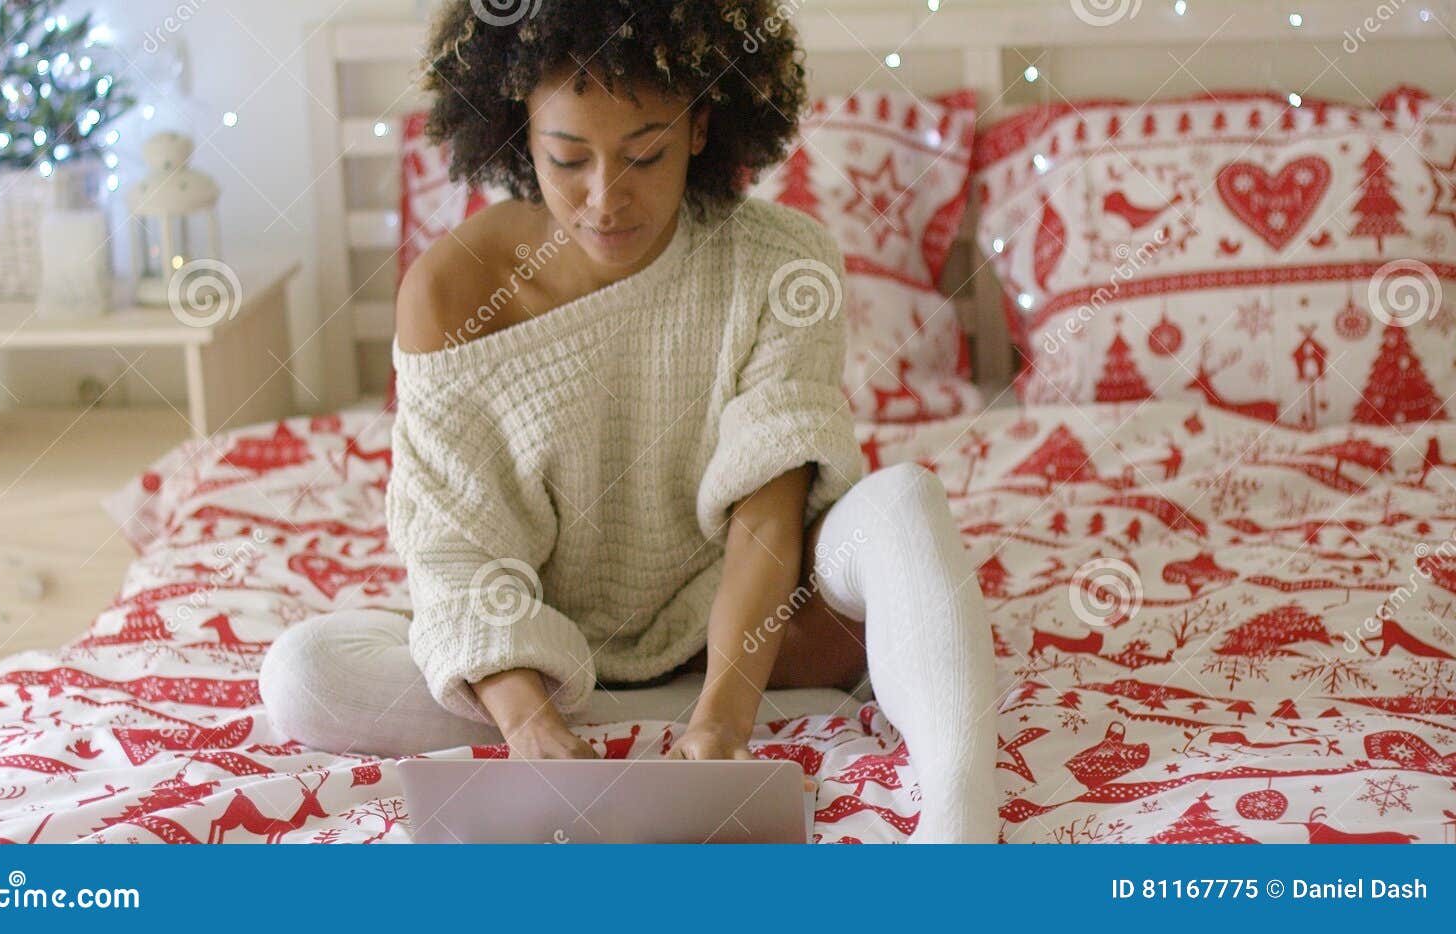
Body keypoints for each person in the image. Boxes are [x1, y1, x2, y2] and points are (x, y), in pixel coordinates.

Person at [259, 0, 997, 843]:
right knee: (303, 676)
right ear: (518, 131)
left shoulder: (784, 261)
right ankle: (670, 717)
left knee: (905, 501)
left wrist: (723, 722)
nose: (606, 199)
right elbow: (455, 553)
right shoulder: (449, 292)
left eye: (645, 154)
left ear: (701, 127)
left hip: (763, 634)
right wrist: (529, 724)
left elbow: (767, 514)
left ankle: (960, 838)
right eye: (568, 158)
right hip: (554, 648)